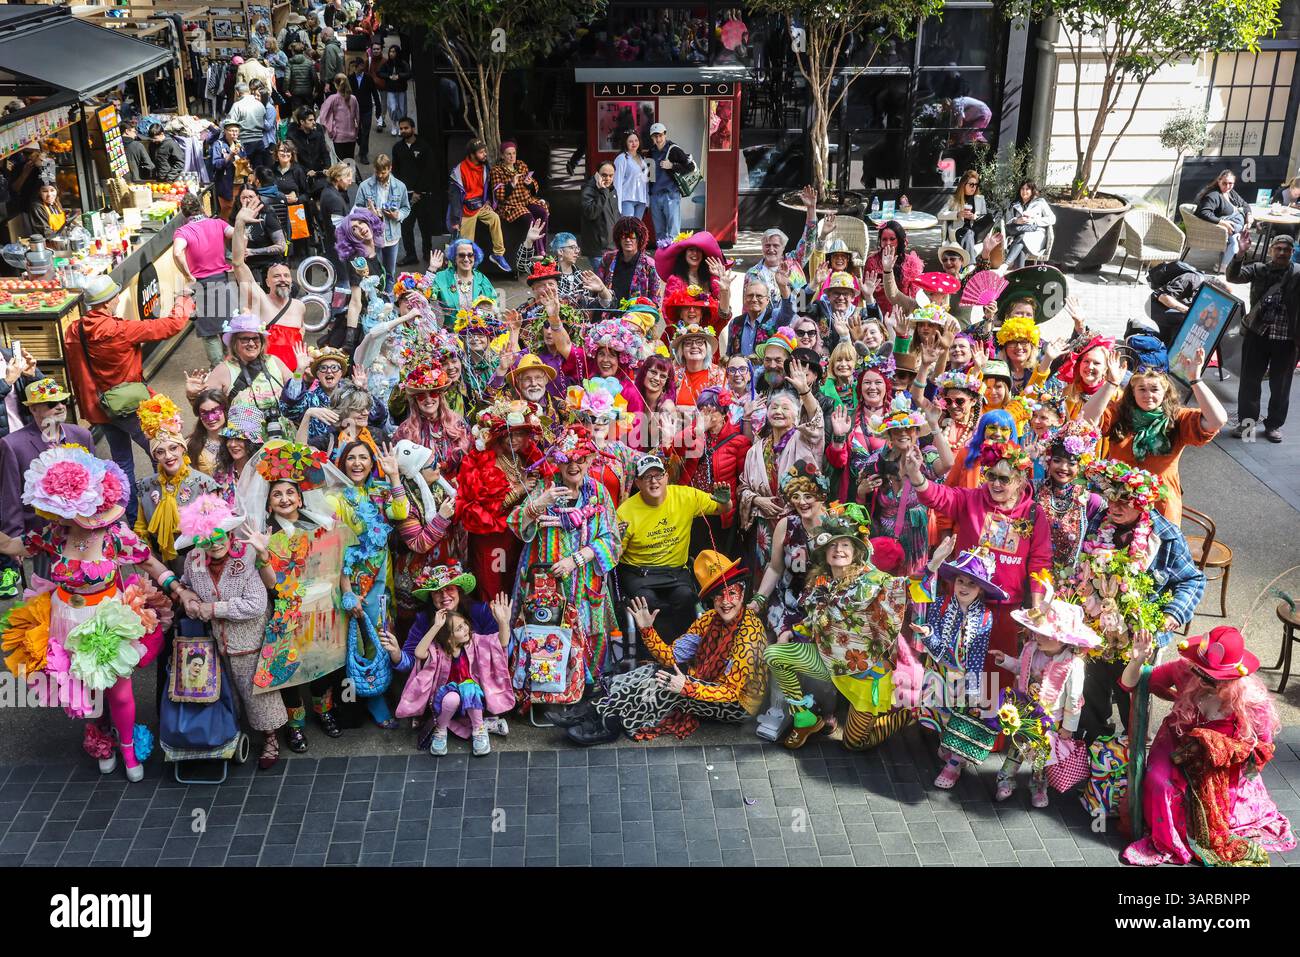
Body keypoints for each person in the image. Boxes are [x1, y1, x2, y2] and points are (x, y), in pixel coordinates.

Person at [0, 445, 179, 783]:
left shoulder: (114, 535)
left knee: (120, 691)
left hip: (107, 619)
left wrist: (178, 588)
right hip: (66, 618)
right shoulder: (56, 534)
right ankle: (102, 743)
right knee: (85, 690)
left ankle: (128, 749)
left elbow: (151, 562)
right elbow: (12, 546)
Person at [1120, 626, 1296, 866]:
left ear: (1235, 677)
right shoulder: (1184, 669)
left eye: (1212, 678)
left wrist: (1229, 757)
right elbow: (1131, 684)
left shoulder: (1252, 699)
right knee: (1160, 783)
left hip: (1219, 763)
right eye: (1199, 672)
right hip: (1177, 740)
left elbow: (1262, 749)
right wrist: (1138, 660)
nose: (1201, 680)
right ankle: (1169, 840)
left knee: (1212, 803)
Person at [568, 550, 766, 745]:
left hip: (738, 704)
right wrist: (647, 630)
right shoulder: (709, 619)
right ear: (712, 599)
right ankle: (595, 710)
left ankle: (611, 723)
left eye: (732, 593)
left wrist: (687, 686)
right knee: (654, 670)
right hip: (708, 681)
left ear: (742, 594)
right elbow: (670, 657)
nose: (726, 602)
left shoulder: (749, 636)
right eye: (719, 595)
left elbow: (730, 692)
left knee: (669, 689)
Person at [1072, 460, 1207, 744]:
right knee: (1091, 698)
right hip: (1097, 633)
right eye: (1111, 499)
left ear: (1143, 504)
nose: (1115, 507)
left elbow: (1192, 580)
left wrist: (1172, 614)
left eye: (1124, 502)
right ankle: (1093, 760)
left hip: (1139, 640)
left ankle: (1132, 763)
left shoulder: (1166, 536)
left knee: (1133, 704)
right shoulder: (1099, 523)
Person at [767, 506, 914, 750]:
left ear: (856, 551)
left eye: (845, 545)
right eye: (833, 545)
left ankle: (906, 715)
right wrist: (792, 631)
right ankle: (806, 718)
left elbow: (905, 586)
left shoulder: (873, 579)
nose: (839, 550)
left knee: (854, 744)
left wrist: (931, 569)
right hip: (829, 664)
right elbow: (817, 619)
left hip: (862, 675)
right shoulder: (819, 581)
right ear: (824, 552)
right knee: (774, 655)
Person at [906, 441, 1051, 685]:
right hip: (963, 604)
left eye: (1004, 479)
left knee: (997, 679)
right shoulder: (971, 499)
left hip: (1006, 611)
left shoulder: (1034, 514)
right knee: (955, 674)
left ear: (1019, 480)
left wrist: (1038, 608)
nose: (995, 484)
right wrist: (916, 475)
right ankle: (950, 720)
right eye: (991, 476)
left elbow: (1040, 562)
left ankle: (989, 720)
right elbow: (939, 497)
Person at [508, 424, 621, 706]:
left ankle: (585, 691)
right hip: (546, 586)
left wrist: (577, 559)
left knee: (589, 633)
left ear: (590, 461)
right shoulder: (547, 489)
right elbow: (515, 523)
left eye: (581, 459)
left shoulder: (599, 492)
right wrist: (537, 505)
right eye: (567, 459)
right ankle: (548, 691)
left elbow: (612, 539)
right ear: (558, 461)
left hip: (584, 584)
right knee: (545, 636)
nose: (574, 465)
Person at [64, 275, 192, 519]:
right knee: (161, 454)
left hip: (100, 408)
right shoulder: (121, 330)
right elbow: (172, 325)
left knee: (122, 464)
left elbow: (76, 370)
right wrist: (183, 298)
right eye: (116, 296)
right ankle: (166, 512)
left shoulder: (75, 329)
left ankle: (133, 518)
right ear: (109, 301)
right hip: (130, 407)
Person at [176, 494, 287, 768]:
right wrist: (187, 596)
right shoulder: (194, 560)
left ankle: (271, 738)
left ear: (229, 532)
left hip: (250, 640)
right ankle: (232, 735)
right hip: (215, 642)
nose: (214, 543)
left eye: (219, 535)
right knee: (227, 693)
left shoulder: (247, 556)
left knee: (258, 694)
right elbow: (184, 583)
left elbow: (256, 605)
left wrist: (211, 609)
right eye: (206, 538)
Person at [1084, 347, 1225, 523]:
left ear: (1165, 393)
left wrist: (1196, 380)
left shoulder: (1178, 418)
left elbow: (1217, 420)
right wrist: (1111, 383)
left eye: (1154, 389)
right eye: (1142, 389)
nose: (1148, 395)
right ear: (1132, 392)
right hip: (1118, 505)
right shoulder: (1119, 413)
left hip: (1159, 508)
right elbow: (1086, 418)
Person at [995, 580, 1098, 806]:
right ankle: (1006, 778)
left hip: (1052, 717)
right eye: (1037, 632)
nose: (1038, 638)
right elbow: (1022, 668)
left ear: (1063, 639)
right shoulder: (1033, 649)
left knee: (1042, 753)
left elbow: (1073, 699)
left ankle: (1039, 785)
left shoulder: (1073, 664)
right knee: (1018, 745)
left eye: (1045, 635)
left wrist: (1069, 728)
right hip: (1026, 711)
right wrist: (1006, 661)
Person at [910, 542, 1003, 788]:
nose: (965, 587)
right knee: (942, 717)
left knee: (961, 718)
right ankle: (949, 749)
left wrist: (973, 692)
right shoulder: (940, 604)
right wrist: (934, 564)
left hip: (964, 676)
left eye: (972, 584)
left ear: (981, 590)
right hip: (938, 673)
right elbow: (918, 592)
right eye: (961, 581)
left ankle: (954, 766)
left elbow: (975, 657)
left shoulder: (985, 617)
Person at [616, 453, 730, 646]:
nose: (654, 481)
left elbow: (722, 509)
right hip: (639, 573)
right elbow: (615, 557)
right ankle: (657, 654)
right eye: (647, 477)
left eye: (658, 475)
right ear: (638, 482)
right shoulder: (625, 512)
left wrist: (725, 501)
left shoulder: (685, 495)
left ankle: (684, 652)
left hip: (675, 571)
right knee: (648, 601)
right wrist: (617, 539)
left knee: (685, 598)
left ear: (666, 477)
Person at [396, 593, 513, 756]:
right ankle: (441, 730)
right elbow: (419, 652)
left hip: (473, 703)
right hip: (446, 704)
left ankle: (479, 731)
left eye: (465, 624)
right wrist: (436, 626)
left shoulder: (476, 641)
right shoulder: (437, 650)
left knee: (470, 687)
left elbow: (501, 643)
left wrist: (503, 622)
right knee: (453, 697)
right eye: (459, 628)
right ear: (449, 638)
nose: (466, 628)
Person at [0, 378, 92, 585]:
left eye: (63, 401)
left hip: (83, 530)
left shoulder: (82, 435)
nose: (60, 407)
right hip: (41, 534)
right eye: (51, 404)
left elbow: (97, 483)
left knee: (87, 586)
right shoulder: (13, 444)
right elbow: (10, 495)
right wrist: (14, 540)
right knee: (48, 590)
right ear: (33, 409)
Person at [455, 398, 544, 601]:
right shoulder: (483, 462)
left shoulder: (526, 459)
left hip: (517, 536)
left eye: (520, 433)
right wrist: (521, 489)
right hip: (491, 538)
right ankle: (492, 632)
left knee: (516, 584)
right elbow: (485, 507)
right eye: (508, 434)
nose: (514, 439)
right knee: (493, 588)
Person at [738, 364, 824, 572]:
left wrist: (804, 391)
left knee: (797, 580)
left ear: (796, 416)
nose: (778, 411)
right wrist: (758, 500)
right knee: (765, 582)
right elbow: (742, 487)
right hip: (764, 531)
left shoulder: (804, 439)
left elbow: (816, 420)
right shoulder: (755, 449)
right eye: (774, 407)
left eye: (785, 408)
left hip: (800, 524)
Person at [1226, 231, 1300, 443]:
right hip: (1258, 335)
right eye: (1278, 248)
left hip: (1287, 340)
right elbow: (1232, 276)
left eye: (1287, 249)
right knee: (1250, 381)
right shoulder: (1259, 270)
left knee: (1281, 385)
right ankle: (1247, 424)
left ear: (1292, 252)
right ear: (1270, 250)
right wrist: (1240, 253)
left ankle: (1274, 426)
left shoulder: (1297, 273)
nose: (1282, 252)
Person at [448, 140, 511, 273]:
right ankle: (466, 271)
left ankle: (498, 254)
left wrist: (488, 201)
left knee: (494, 218)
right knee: (465, 244)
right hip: (466, 210)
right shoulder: (459, 171)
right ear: (472, 154)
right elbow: (454, 197)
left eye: (484, 151)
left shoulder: (485, 167)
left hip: (481, 205)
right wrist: (455, 220)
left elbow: (488, 188)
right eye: (481, 152)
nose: (484, 154)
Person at [352, 153, 409, 292]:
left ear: (390, 168)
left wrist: (397, 215)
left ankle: (388, 298)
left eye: (383, 172)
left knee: (389, 272)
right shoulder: (365, 186)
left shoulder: (400, 187)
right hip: (371, 237)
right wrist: (369, 212)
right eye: (377, 172)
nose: (380, 175)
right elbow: (356, 209)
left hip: (391, 237)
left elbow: (406, 208)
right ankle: (374, 298)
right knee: (370, 270)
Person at [492, 140, 549, 257]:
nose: (512, 156)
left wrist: (529, 183)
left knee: (542, 212)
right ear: (502, 155)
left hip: (526, 201)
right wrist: (511, 185)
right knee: (530, 218)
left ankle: (543, 246)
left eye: (514, 153)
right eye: (508, 154)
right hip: (510, 205)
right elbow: (499, 195)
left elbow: (534, 185)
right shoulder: (497, 170)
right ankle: (538, 251)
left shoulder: (521, 165)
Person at [392, 116, 436, 265]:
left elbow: (428, 171)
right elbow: (396, 171)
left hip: (423, 195)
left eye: (406, 128)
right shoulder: (397, 148)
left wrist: (418, 191)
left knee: (425, 227)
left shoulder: (424, 147)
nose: (403, 130)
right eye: (401, 128)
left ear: (413, 129)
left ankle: (428, 254)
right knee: (406, 227)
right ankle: (410, 255)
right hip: (405, 196)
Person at [593, 216, 661, 306]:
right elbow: (597, 289)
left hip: (636, 316)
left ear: (639, 238)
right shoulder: (608, 259)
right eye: (624, 236)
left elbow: (656, 301)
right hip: (608, 313)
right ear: (619, 238)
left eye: (632, 236)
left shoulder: (649, 265)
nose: (628, 240)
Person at [646, 121, 695, 246]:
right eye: (655, 136)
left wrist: (672, 166)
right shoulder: (651, 152)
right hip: (655, 197)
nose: (658, 139)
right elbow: (650, 175)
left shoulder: (674, 150)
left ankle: (674, 260)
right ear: (652, 137)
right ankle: (662, 260)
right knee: (659, 233)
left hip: (671, 195)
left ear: (665, 134)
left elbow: (690, 167)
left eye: (660, 135)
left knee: (673, 233)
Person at [1195, 169, 1253, 274]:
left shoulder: (1230, 192)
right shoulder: (1213, 195)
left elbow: (1244, 204)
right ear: (1218, 181)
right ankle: (1225, 267)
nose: (1227, 186)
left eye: (1230, 183)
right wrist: (1222, 222)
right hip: (1222, 228)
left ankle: (1225, 265)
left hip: (1232, 225)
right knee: (1237, 239)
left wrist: (1248, 215)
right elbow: (1203, 213)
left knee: (1238, 237)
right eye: (1224, 183)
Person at [429, 238, 500, 314]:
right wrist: (432, 269)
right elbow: (424, 296)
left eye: (470, 255)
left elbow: (495, 308)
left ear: (475, 257)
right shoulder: (442, 277)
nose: (466, 259)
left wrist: (491, 311)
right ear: (454, 258)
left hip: (478, 325)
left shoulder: (481, 279)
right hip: (451, 326)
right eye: (461, 255)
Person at [938, 169, 992, 259]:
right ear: (963, 185)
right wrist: (957, 214)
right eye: (971, 184)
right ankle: (971, 265)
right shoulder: (954, 199)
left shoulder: (980, 199)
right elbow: (940, 214)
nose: (974, 187)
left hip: (976, 233)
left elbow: (984, 217)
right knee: (968, 233)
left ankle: (969, 265)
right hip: (958, 232)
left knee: (970, 233)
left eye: (976, 185)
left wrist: (975, 217)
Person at [1003, 179, 1056, 269]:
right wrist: (1017, 220)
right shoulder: (1014, 204)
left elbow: (1052, 219)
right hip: (1017, 234)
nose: (1024, 191)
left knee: (1023, 238)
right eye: (1022, 189)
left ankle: (1005, 265)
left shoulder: (1040, 202)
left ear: (1032, 190)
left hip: (1035, 236)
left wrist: (1034, 220)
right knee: (1021, 241)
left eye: (1027, 189)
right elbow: (1007, 221)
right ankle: (1019, 279)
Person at [223, 82, 269, 169]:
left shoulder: (237, 106)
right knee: (258, 170)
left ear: (237, 93)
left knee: (243, 171)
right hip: (259, 141)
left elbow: (229, 124)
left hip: (244, 142)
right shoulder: (260, 105)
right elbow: (263, 123)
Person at [580, 160, 619, 259]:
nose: (608, 179)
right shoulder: (589, 190)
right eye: (604, 175)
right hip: (598, 251)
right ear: (597, 175)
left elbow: (615, 216)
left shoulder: (612, 189)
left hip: (613, 248)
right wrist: (603, 192)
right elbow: (591, 213)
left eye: (611, 175)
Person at [186, 390, 229, 476]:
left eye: (215, 411)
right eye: (204, 413)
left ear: (224, 410)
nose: (210, 418)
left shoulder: (238, 440)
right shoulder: (189, 444)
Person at [319, 73, 360, 160]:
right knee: (350, 161)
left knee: (341, 164)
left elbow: (323, 117)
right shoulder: (353, 98)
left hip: (338, 135)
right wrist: (356, 132)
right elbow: (358, 118)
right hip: (351, 135)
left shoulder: (332, 99)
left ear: (335, 84)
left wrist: (330, 131)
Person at [612, 129, 649, 220]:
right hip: (627, 199)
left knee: (637, 229)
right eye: (630, 141)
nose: (634, 143)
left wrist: (647, 200)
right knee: (628, 229)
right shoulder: (621, 159)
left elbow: (646, 181)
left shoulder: (643, 158)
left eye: (636, 140)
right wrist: (618, 205)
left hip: (641, 200)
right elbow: (617, 183)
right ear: (625, 143)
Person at [377, 46, 409, 136]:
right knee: (393, 107)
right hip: (391, 89)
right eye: (390, 51)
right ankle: (394, 125)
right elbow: (379, 72)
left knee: (402, 109)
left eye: (393, 52)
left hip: (401, 89)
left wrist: (399, 76)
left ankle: (401, 126)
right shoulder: (387, 64)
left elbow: (409, 74)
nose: (391, 53)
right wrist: (388, 76)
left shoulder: (403, 63)